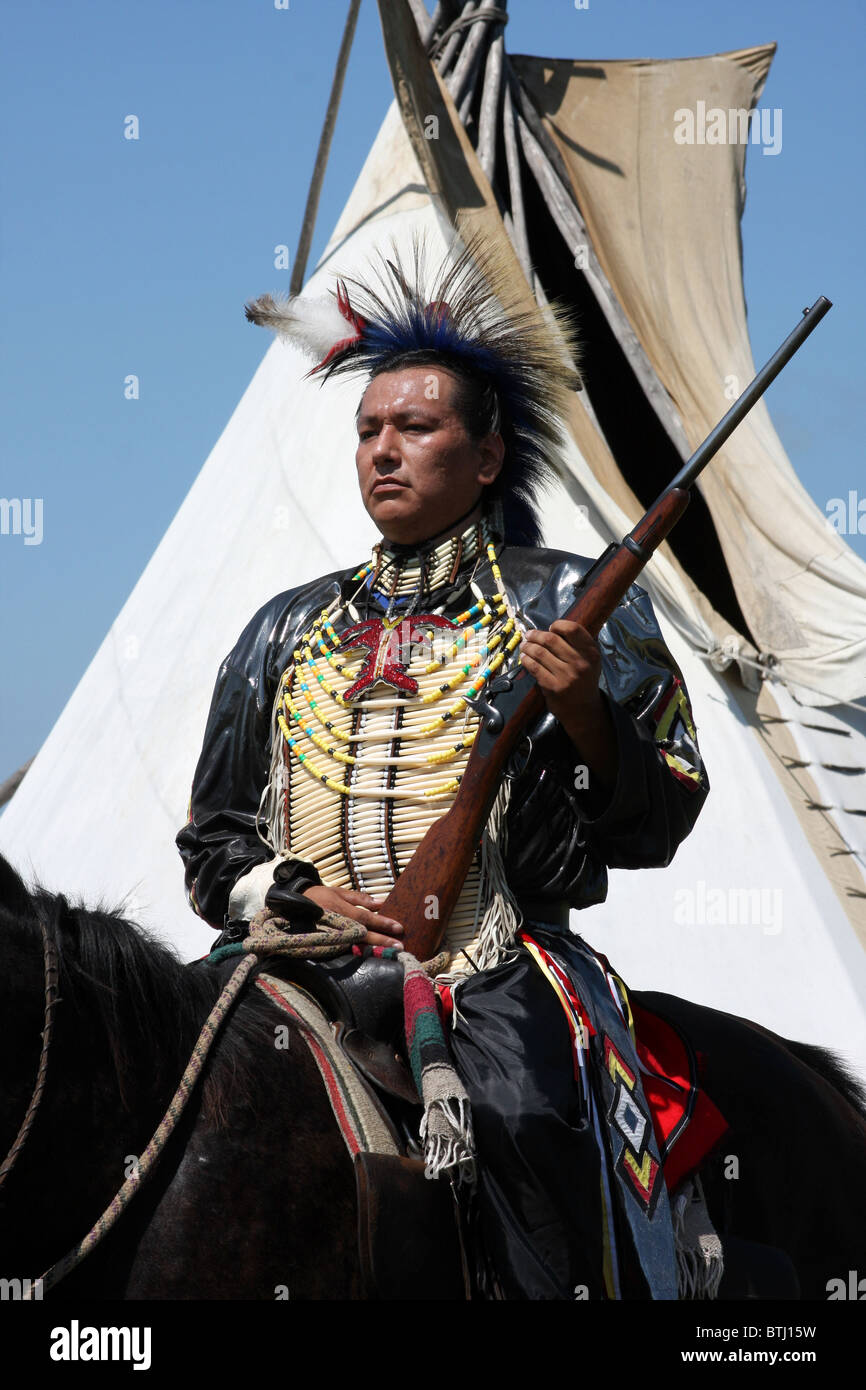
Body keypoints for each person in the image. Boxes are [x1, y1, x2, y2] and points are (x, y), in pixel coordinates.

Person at [176, 240, 718, 1300]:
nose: (383, 450)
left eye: (414, 427)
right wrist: (290, 892)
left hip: (491, 962)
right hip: (292, 962)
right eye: (368, 430)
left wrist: (582, 715)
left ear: (483, 458)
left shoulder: (562, 596)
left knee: (523, 1117)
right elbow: (211, 843)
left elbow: (654, 819)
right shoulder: (283, 629)